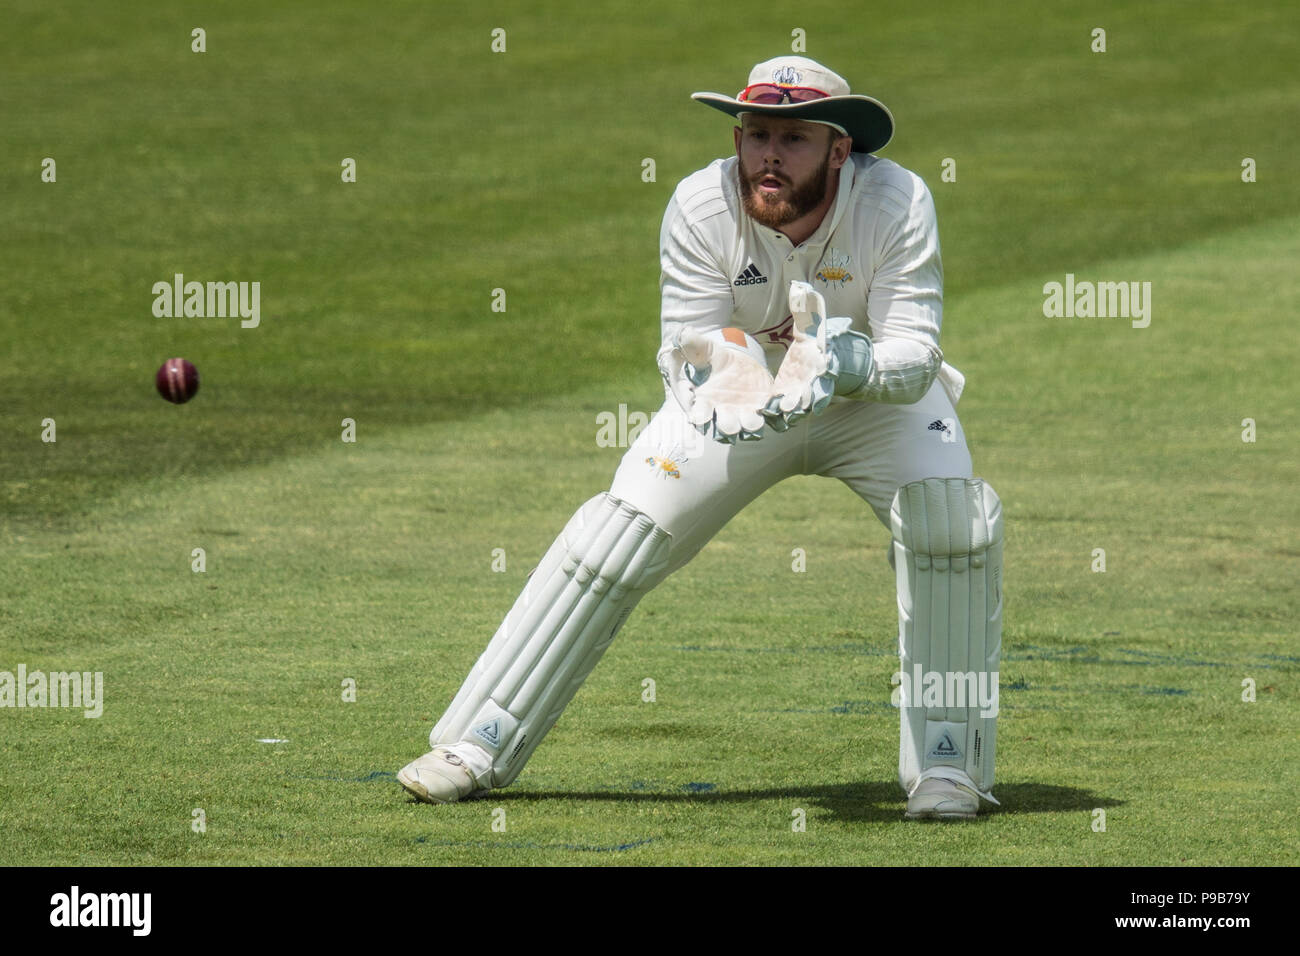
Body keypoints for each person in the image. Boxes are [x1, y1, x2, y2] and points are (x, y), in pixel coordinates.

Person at [398, 55, 1004, 820]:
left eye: (792, 139)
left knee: (953, 526)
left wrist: (846, 362)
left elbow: (915, 354)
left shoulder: (899, 199)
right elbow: (683, 343)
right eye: (756, 135)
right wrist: (731, 376)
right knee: (618, 536)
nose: (769, 156)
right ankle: (476, 743)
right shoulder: (699, 204)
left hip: (869, 401)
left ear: (839, 150)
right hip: (746, 404)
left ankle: (948, 768)